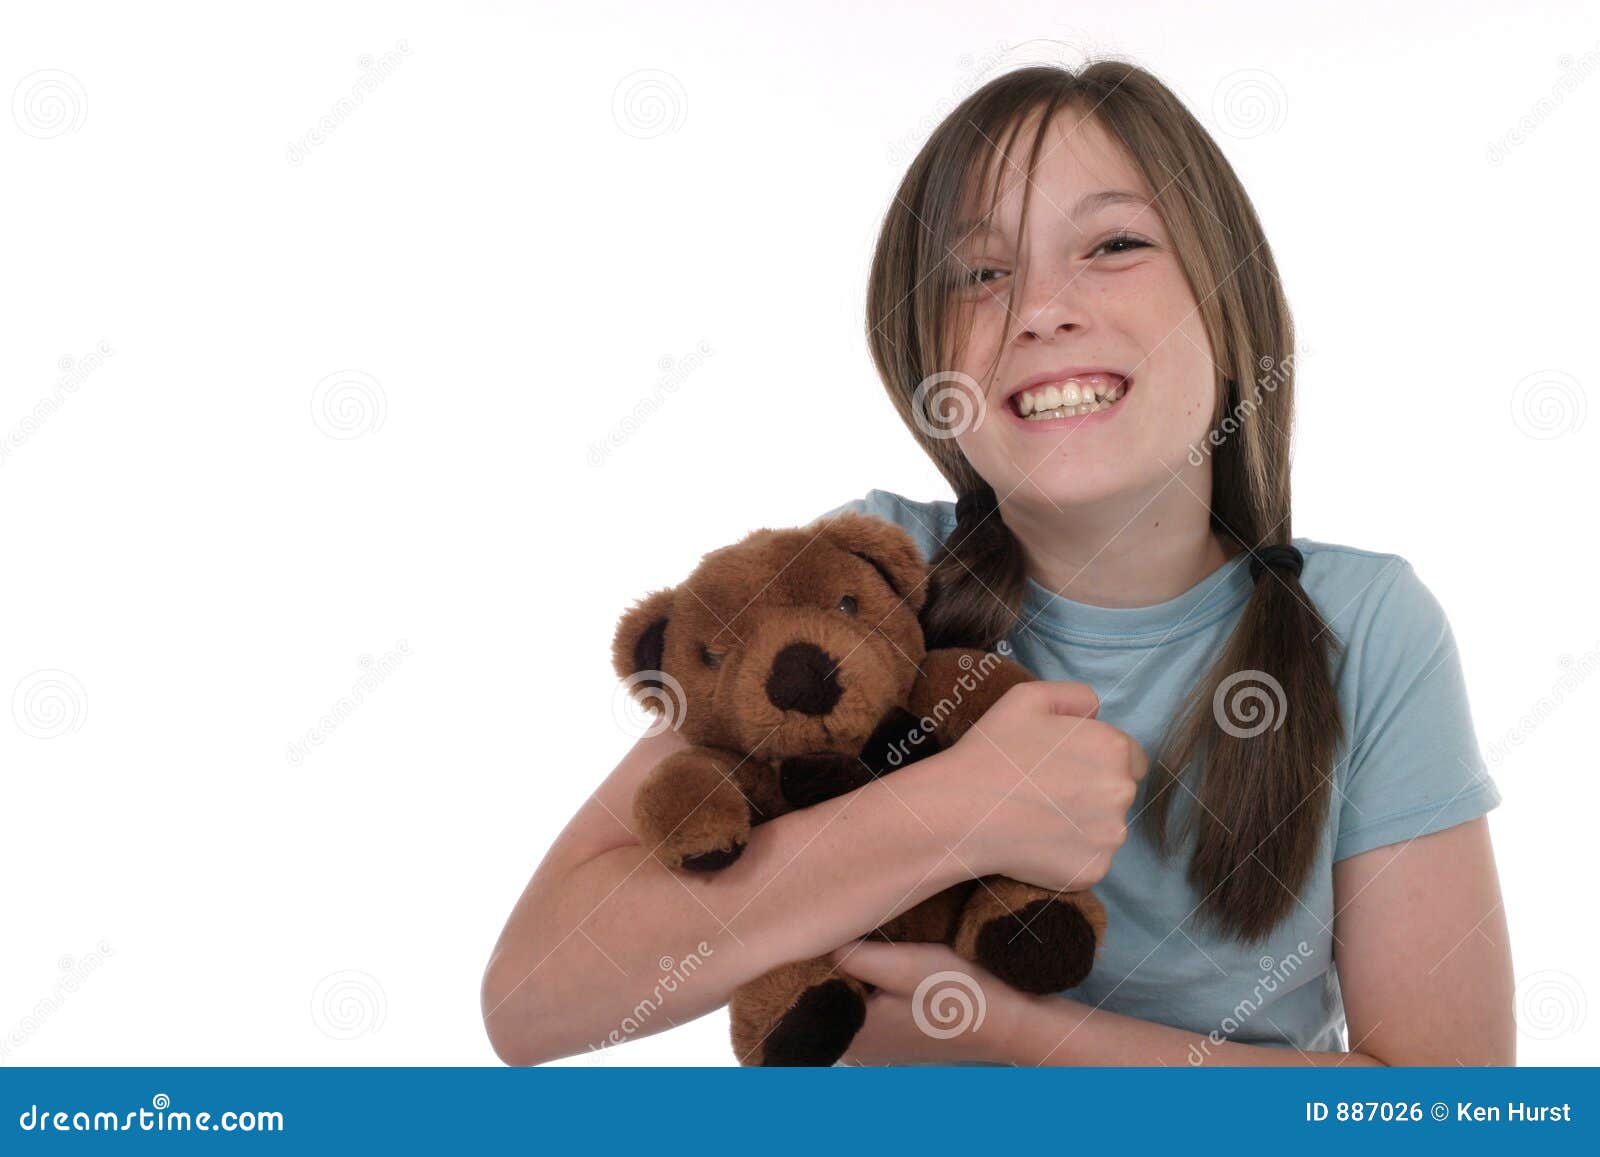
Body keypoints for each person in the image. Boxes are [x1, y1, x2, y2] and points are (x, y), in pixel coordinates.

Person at [481, 60, 1512, 1066]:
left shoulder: (1367, 626)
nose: (1039, 307)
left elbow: (1451, 1115)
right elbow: (532, 1001)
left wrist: (1010, 1033)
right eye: (979, 273)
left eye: (1114, 243)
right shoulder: (865, 578)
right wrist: (949, 813)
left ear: (1227, 304)